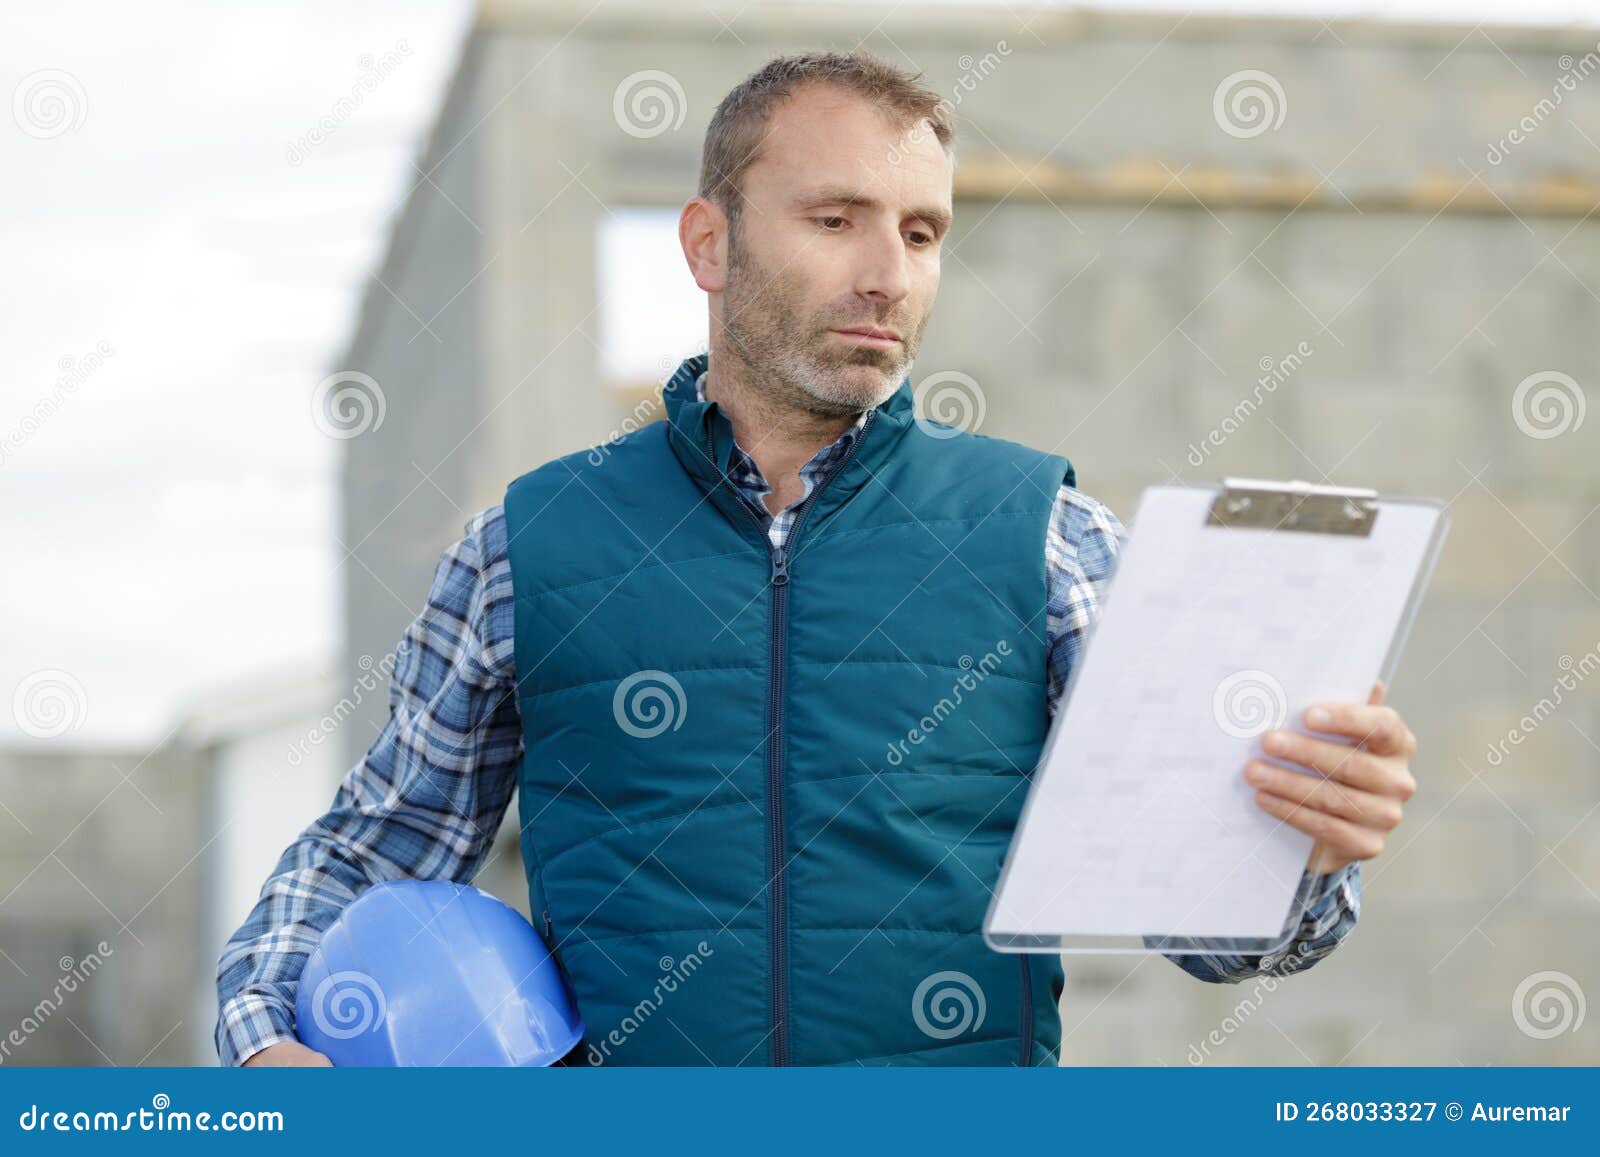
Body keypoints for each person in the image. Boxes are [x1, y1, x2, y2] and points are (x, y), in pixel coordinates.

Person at [218, 50, 1417, 1068]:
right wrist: (265, 1033)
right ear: (708, 242)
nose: (888, 274)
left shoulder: (1046, 536)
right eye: (835, 219)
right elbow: (376, 847)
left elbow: (1218, 938)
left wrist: (1301, 845)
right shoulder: (524, 545)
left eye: (921, 231)